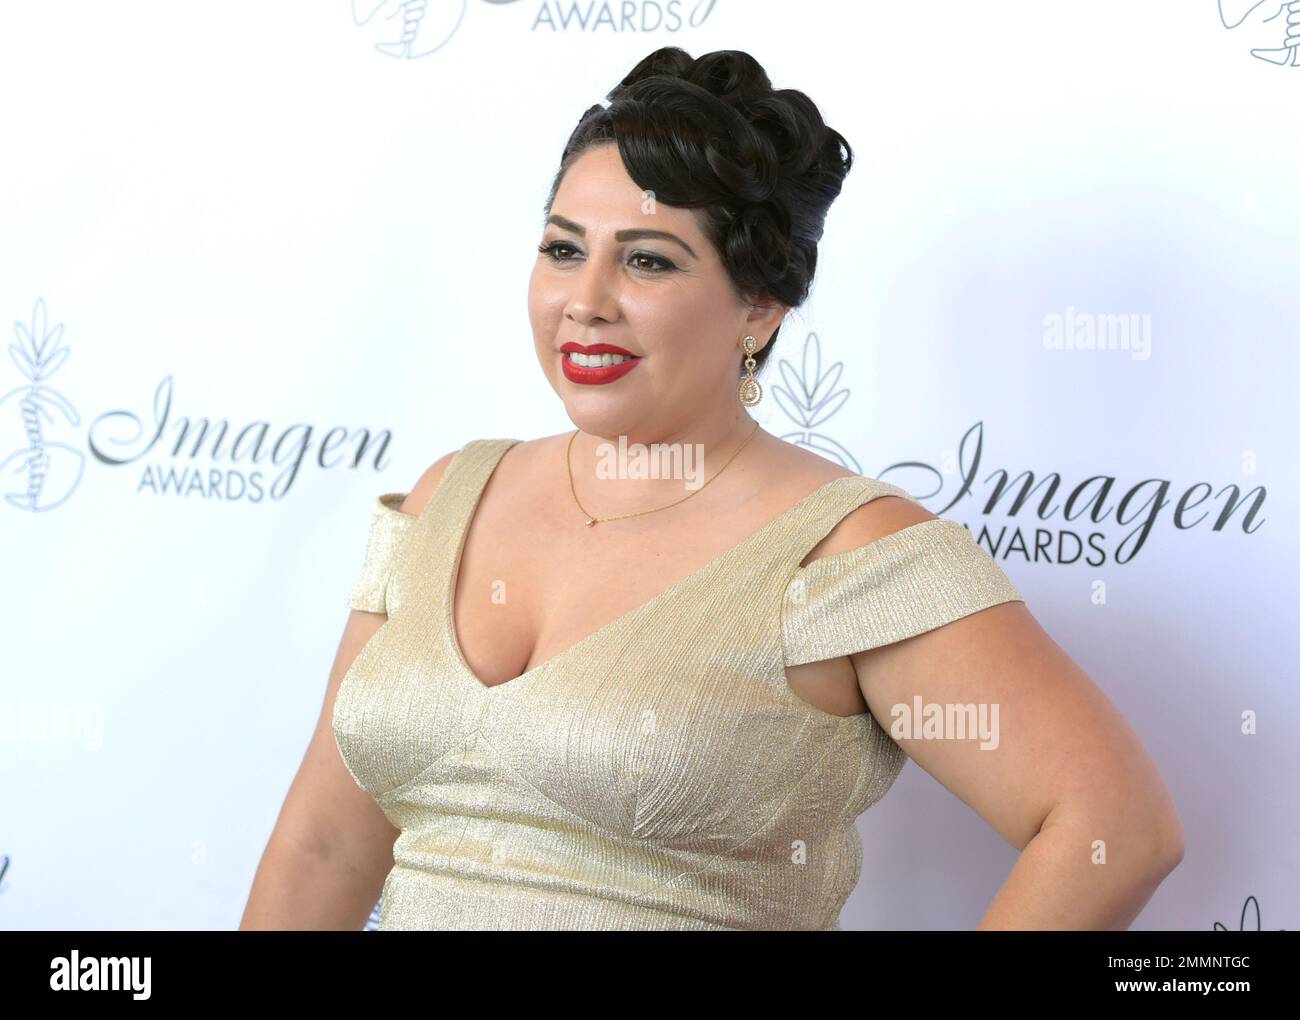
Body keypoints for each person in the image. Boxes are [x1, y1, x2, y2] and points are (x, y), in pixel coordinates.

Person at [241, 46, 1183, 931]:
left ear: (760, 304)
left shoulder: (847, 552)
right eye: (564, 249)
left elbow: (1115, 830)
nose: (587, 299)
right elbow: (324, 846)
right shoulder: (450, 492)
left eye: (648, 260)